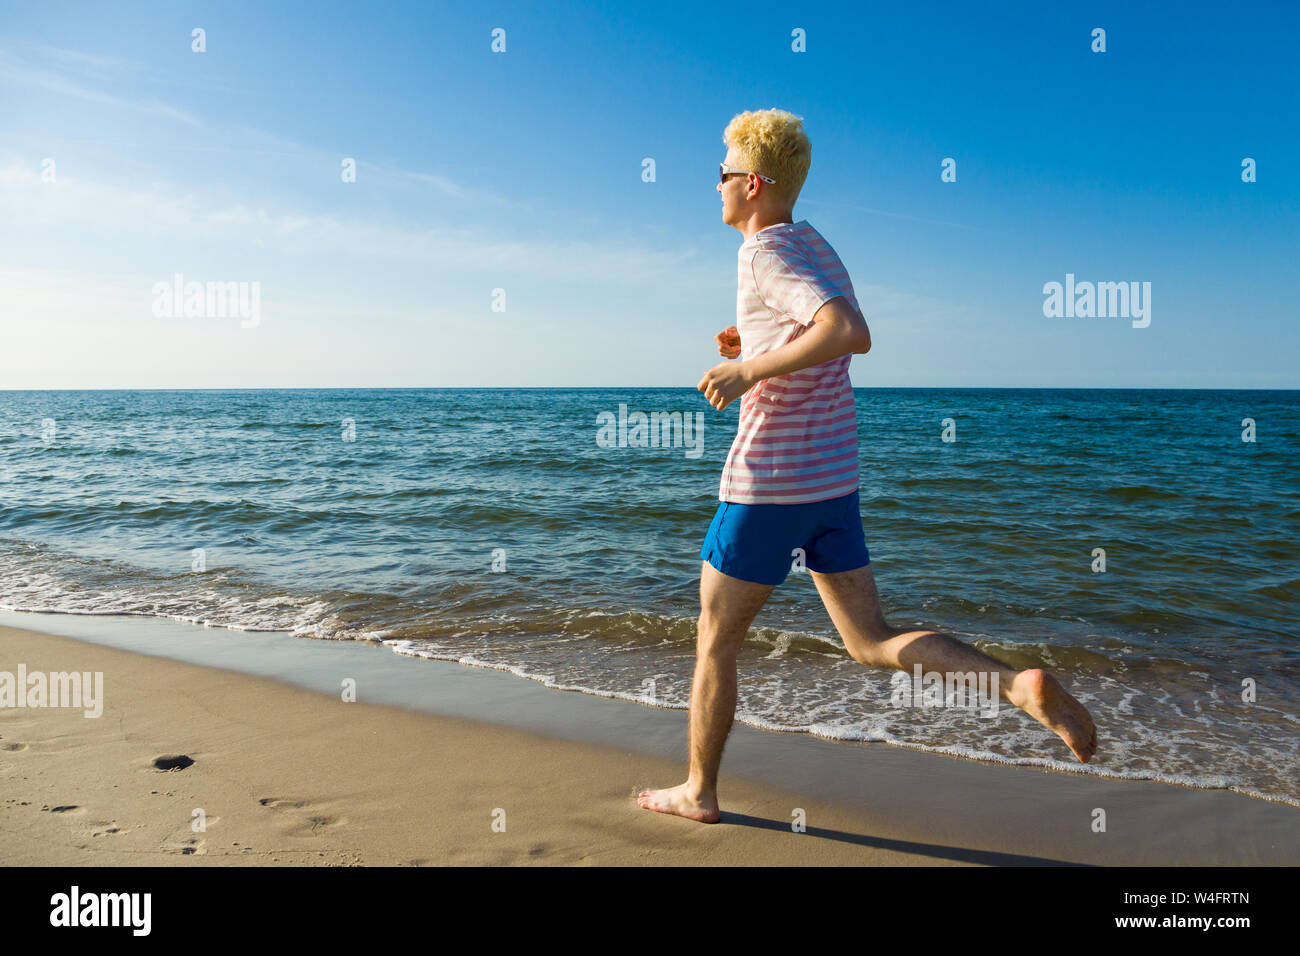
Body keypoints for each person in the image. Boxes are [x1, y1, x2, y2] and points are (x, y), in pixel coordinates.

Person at [637, 108, 1098, 824]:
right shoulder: (812, 241)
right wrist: (754, 339)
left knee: (715, 640)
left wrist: (747, 369)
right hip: (832, 482)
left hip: (769, 481)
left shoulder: (760, 253)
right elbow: (820, 325)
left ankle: (698, 792)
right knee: (871, 640)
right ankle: (1016, 688)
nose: (716, 186)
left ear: (753, 184)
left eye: (722, 173)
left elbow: (849, 333)